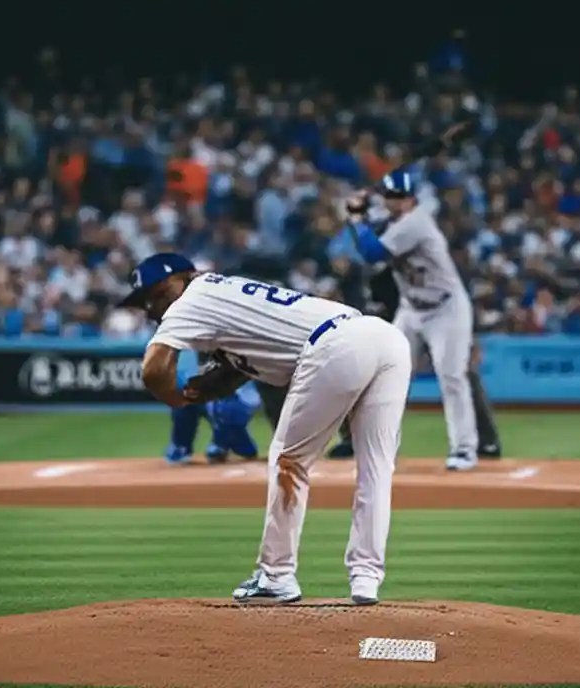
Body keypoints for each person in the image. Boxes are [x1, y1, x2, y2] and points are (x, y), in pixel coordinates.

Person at [121, 252, 411, 606]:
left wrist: (177, 399)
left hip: (336, 344)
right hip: (384, 338)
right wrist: (206, 385)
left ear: (186, 276)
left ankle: (276, 576)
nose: (151, 307)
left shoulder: (193, 297)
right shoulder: (228, 297)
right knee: (377, 467)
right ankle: (366, 578)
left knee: (289, 460)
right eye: (143, 302)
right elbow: (233, 371)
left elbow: (153, 372)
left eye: (156, 293)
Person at [342, 159, 500, 471]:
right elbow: (364, 227)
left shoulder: (416, 223)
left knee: (452, 376)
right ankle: (383, 449)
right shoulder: (390, 218)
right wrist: (354, 211)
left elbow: (373, 251)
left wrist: (357, 216)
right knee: (389, 376)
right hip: (411, 310)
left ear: (412, 199)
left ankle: (465, 449)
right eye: (392, 197)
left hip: (446, 308)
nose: (397, 202)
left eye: (402, 197)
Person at [164, 350, 262, 464]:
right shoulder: (189, 354)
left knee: (227, 409)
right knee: (182, 400)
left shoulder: (236, 351)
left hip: (233, 400)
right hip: (204, 397)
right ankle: (180, 447)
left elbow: (250, 395)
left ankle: (227, 444)